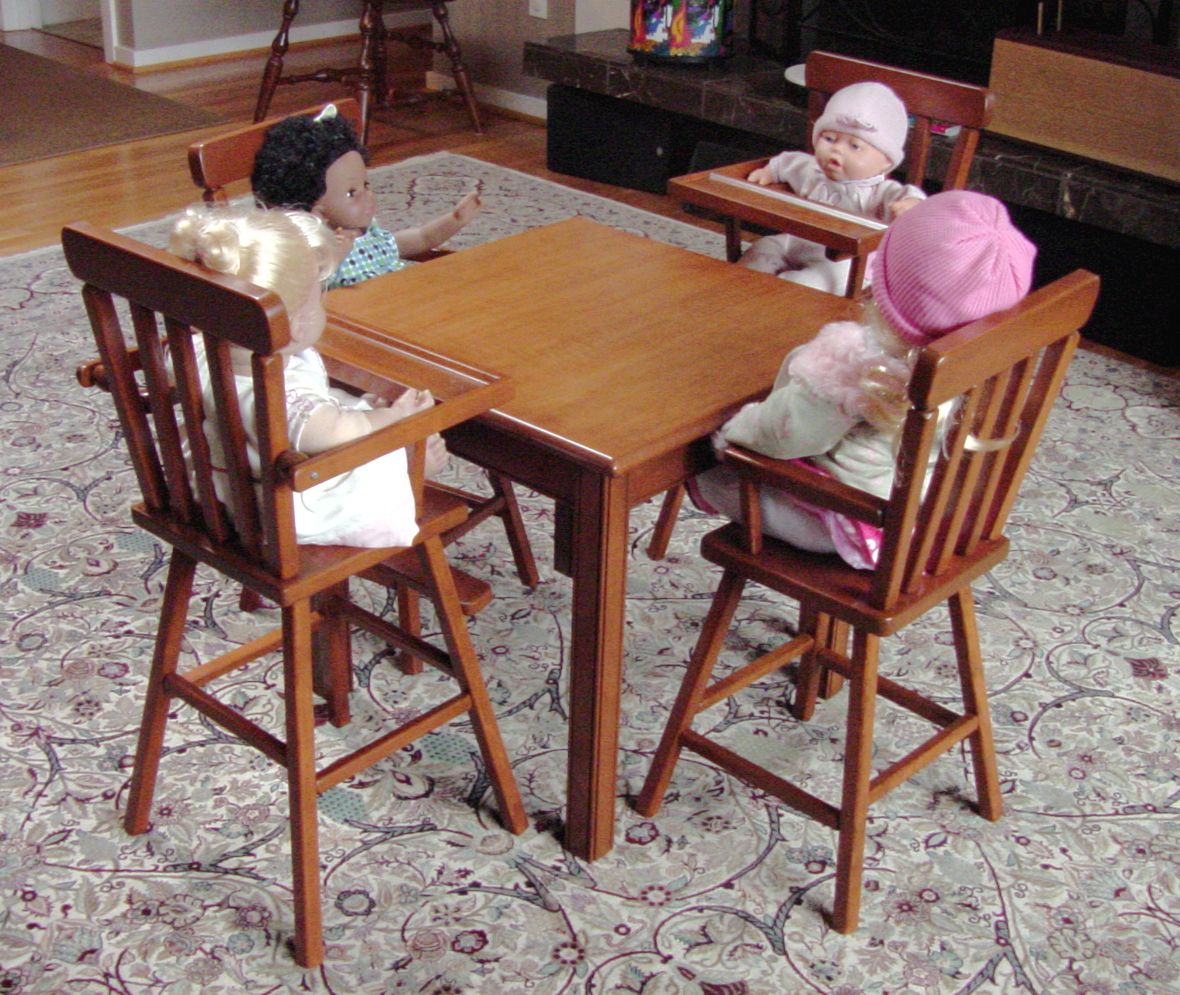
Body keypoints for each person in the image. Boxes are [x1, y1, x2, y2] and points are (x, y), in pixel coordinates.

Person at [690, 190, 1037, 568]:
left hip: (846, 522)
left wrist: (732, 432)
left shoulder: (857, 362)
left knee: (707, 470)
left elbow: (782, 436)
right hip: (931, 516)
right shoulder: (983, 360)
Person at [169, 203, 447, 547]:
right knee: (378, 445)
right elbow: (328, 429)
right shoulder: (277, 396)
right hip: (274, 509)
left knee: (353, 412)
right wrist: (396, 418)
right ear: (295, 324)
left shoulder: (196, 349)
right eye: (317, 300)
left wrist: (363, 411)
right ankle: (410, 466)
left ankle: (382, 430)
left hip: (216, 487)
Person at [250, 103, 482, 289]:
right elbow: (298, 291)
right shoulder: (314, 251)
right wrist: (332, 260)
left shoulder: (371, 236)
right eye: (352, 193)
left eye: (366, 185)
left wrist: (455, 220)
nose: (368, 196)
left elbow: (422, 238)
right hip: (363, 328)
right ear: (317, 212)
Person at [738, 81, 926, 293]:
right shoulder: (811, 170)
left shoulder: (879, 192)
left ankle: (785, 292)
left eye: (854, 146)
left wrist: (912, 204)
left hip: (842, 260)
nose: (836, 149)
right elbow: (787, 162)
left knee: (819, 283)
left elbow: (907, 196)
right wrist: (769, 172)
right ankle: (746, 288)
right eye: (829, 138)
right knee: (761, 250)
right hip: (795, 241)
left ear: (886, 161)